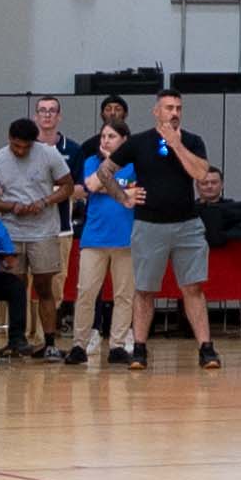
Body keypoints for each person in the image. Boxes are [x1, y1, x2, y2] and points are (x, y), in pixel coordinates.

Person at [123, 90, 223, 368]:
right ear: (156, 111)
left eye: (178, 107)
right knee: (144, 289)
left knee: (193, 287)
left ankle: (206, 348)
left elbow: (201, 173)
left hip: (186, 224)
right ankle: (140, 348)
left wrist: (176, 144)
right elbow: (107, 172)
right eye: (168, 107)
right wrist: (123, 196)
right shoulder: (139, 142)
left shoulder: (192, 141)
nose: (174, 112)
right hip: (149, 224)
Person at [0, 108, 70, 357]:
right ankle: (16, 339)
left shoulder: (49, 155)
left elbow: (67, 186)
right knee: (15, 287)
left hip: (43, 231)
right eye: (15, 146)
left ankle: (50, 341)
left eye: (25, 147)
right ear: (9, 139)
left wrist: (44, 201)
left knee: (44, 287)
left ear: (33, 143)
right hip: (12, 231)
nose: (20, 151)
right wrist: (11, 206)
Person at [68, 115, 142, 363]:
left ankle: (118, 345)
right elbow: (91, 184)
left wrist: (107, 185)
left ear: (125, 140)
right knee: (86, 292)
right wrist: (123, 191)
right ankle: (79, 344)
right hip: (94, 238)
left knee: (124, 295)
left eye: (112, 136)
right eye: (103, 136)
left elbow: (138, 194)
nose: (106, 140)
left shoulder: (135, 165)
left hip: (126, 239)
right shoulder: (91, 161)